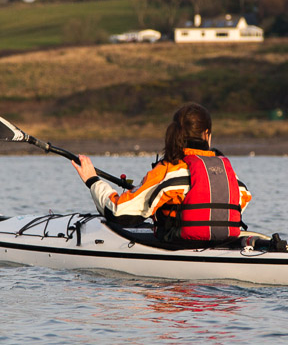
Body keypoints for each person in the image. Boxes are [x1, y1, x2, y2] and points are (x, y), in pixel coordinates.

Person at [72, 103, 251, 242]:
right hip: (223, 244)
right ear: (207, 135)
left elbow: (118, 212)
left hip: (178, 250)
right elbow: (242, 201)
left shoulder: (167, 171)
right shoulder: (230, 175)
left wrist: (93, 181)